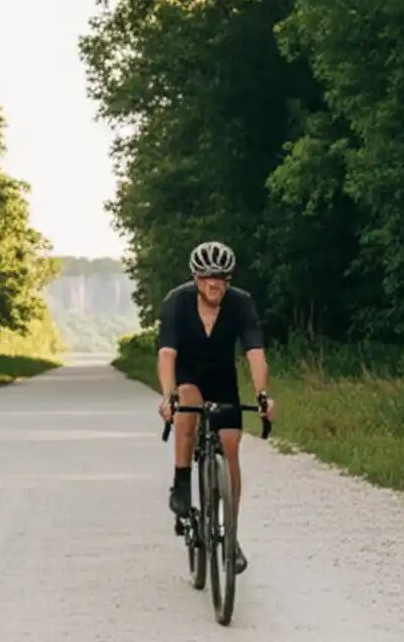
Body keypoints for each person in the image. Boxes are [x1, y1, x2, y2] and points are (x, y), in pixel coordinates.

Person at [156, 240, 275, 574]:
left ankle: (231, 534)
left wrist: (263, 394)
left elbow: (254, 351)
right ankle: (181, 484)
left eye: (221, 277)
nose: (214, 284)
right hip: (188, 374)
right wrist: (168, 396)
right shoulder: (176, 303)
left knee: (231, 445)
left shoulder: (241, 304)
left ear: (228, 279)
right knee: (188, 406)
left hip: (222, 378)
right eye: (207, 277)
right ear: (196, 278)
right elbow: (167, 353)